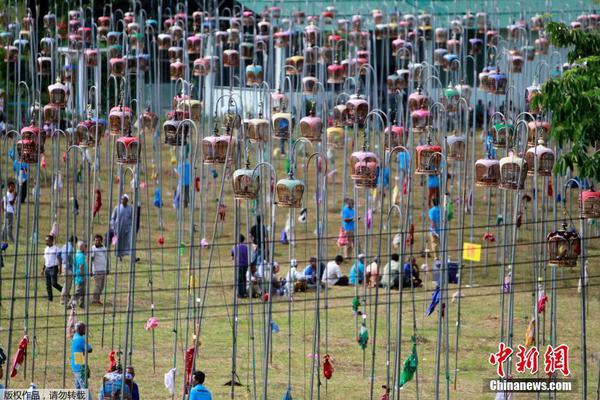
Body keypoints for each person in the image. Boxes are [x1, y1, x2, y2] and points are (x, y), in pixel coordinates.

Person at [111, 194, 134, 260]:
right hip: (118, 228)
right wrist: (113, 226)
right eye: (122, 199)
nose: (123, 201)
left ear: (127, 200)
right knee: (118, 241)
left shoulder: (130, 208)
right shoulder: (117, 208)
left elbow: (132, 218)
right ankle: (118, 255)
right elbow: (113, 218)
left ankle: (126, 253)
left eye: (125, 199)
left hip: (127, 228)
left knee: (127, 241)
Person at [71, 322, 92, 389]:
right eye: (84, 328)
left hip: (75, 363)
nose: (85, 330)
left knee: (78, 388)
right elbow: (90, 349)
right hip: (79, 365)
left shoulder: (75, 336)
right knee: (84, 388)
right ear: (79, 329)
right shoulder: (80, 339)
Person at [43, 235, 63, 301]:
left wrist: (60, 269)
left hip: (53, 268)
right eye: (46, 240)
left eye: (48, 240)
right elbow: (45, 259)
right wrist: (43, 269)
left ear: (52, 241)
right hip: (47, 268)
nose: (46, 242)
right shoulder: (46, 249)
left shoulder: (56, 249)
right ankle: (50, 298)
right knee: (47, 285)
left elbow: (60, 259)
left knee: (54, 284)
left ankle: (65, 292)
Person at [91, 234, 108, 305]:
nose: (97, 242)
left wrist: (107, 268)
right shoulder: (93, 248)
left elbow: (106, 258)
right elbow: (90, 260)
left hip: (103, 270)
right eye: (96, 240)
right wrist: (90, 270)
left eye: (98, 240)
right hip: (97, 270)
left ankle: (97, 299)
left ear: (101, 241)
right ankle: (95, 300)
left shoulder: (104, 248)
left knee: (102, 286)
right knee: (98, 285)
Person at [231, 234, 249, 298]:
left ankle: (240, 293)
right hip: (245, 264)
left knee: (239, 279)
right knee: (244, 278)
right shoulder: (246, 247)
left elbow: (232, 256)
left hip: (238, 265)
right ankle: (244, 291)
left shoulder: (234, 247)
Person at [60, 235, 77, 304]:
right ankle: (63, 299)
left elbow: (59, 254)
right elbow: (69, 254)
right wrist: (71, 263)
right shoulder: (71, 247)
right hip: (68, 267)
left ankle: (65, 298)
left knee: (66, 283)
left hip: (64, 265)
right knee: (67, 284)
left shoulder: (64, 245)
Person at [71, 241, 88, 308]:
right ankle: (70, 304)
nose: (85, 248)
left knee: (83, 291)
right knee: (78, 292)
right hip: (81, 276)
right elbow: (81, 266)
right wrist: (83, 275)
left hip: (77, 275)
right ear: (81, 247)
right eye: (84, 246)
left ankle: (82, 303)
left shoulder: (76, 254)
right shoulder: (81, 255)